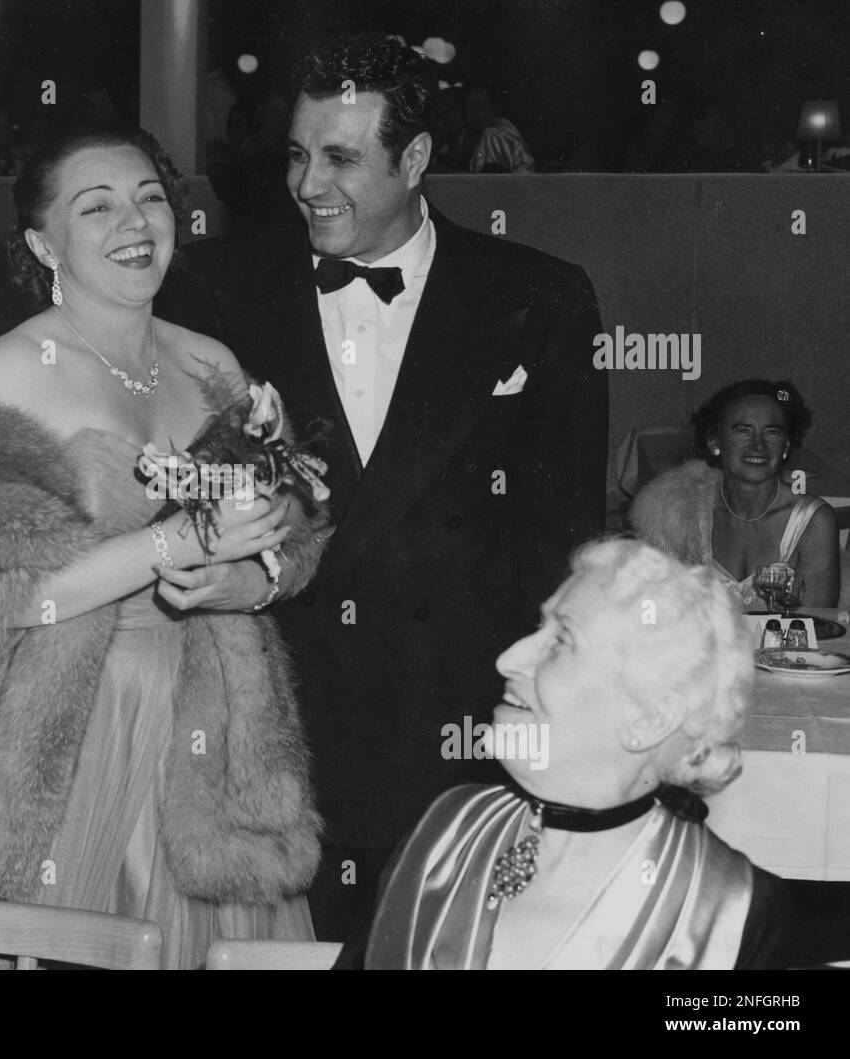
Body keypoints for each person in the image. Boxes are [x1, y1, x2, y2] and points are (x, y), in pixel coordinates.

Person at [157, 31, 609, 942]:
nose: (307, 185)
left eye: (339, 158)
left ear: (415, 160)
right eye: (295, 154)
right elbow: (188, 494)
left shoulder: (541, 295)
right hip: (284, 733)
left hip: (456, 728)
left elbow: (559, 543)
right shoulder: (217, 292)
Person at [0, 125, 327, 969]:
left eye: (151, 197)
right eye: (98, 206)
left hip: (213, 734)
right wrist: (179, 537)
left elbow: (292, 544)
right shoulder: (10, 369)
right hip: (68, 735)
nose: (136, 220)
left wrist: (249, 579)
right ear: (44, 242)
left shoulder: (211, 362)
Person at [343, 538, 791, 969]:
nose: (508, 658)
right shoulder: (449, 829)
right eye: (540, 627)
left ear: (649, 719)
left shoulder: (725, 912)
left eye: (561, 641)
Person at [631, 379, 839, 608]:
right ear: (714, 442)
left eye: (772, 432)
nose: (758, 445)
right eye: (743, 430)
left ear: (786, 446)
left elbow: (817, 630)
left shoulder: (812, 521)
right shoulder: (677, 515)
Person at [463, 84, 535, 174]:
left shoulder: (492, 135)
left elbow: (490, 180)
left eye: (480, 106)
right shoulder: (506, 129)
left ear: (496, 107)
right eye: (469, 108)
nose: (474, 113)